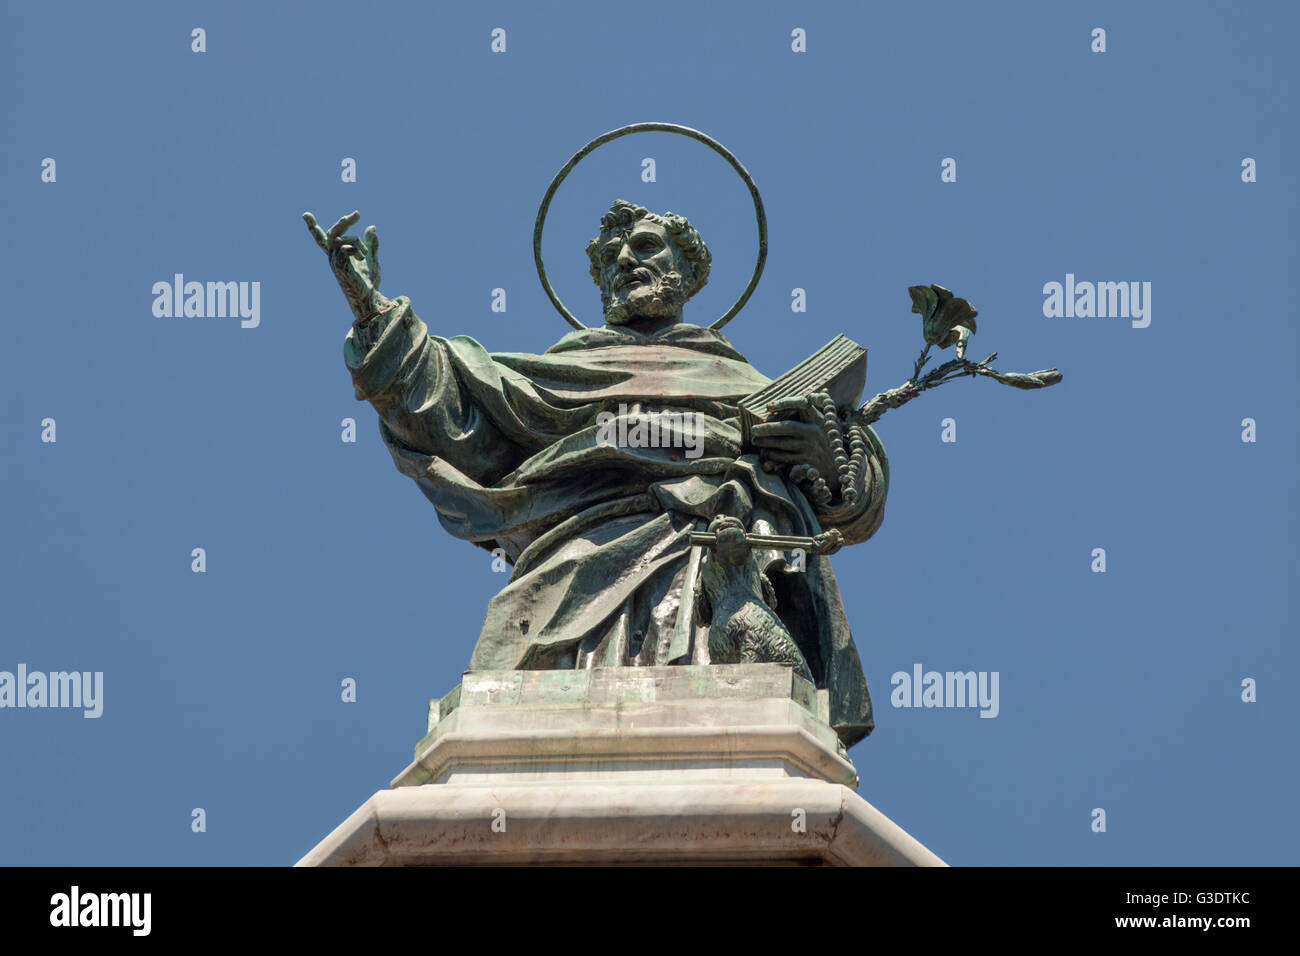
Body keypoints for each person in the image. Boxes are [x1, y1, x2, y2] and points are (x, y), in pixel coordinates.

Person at [304, 200, 890, 746]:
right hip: (577, 550)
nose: (626, 261)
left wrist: (824, 452)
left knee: (734, 693)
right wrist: (373, 313)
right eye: (611, 257)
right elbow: (458, 419)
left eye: (645, 246)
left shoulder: (748, 385)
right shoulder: (560, 374)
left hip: (718, 551)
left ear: (690, 271)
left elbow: (849, 504)